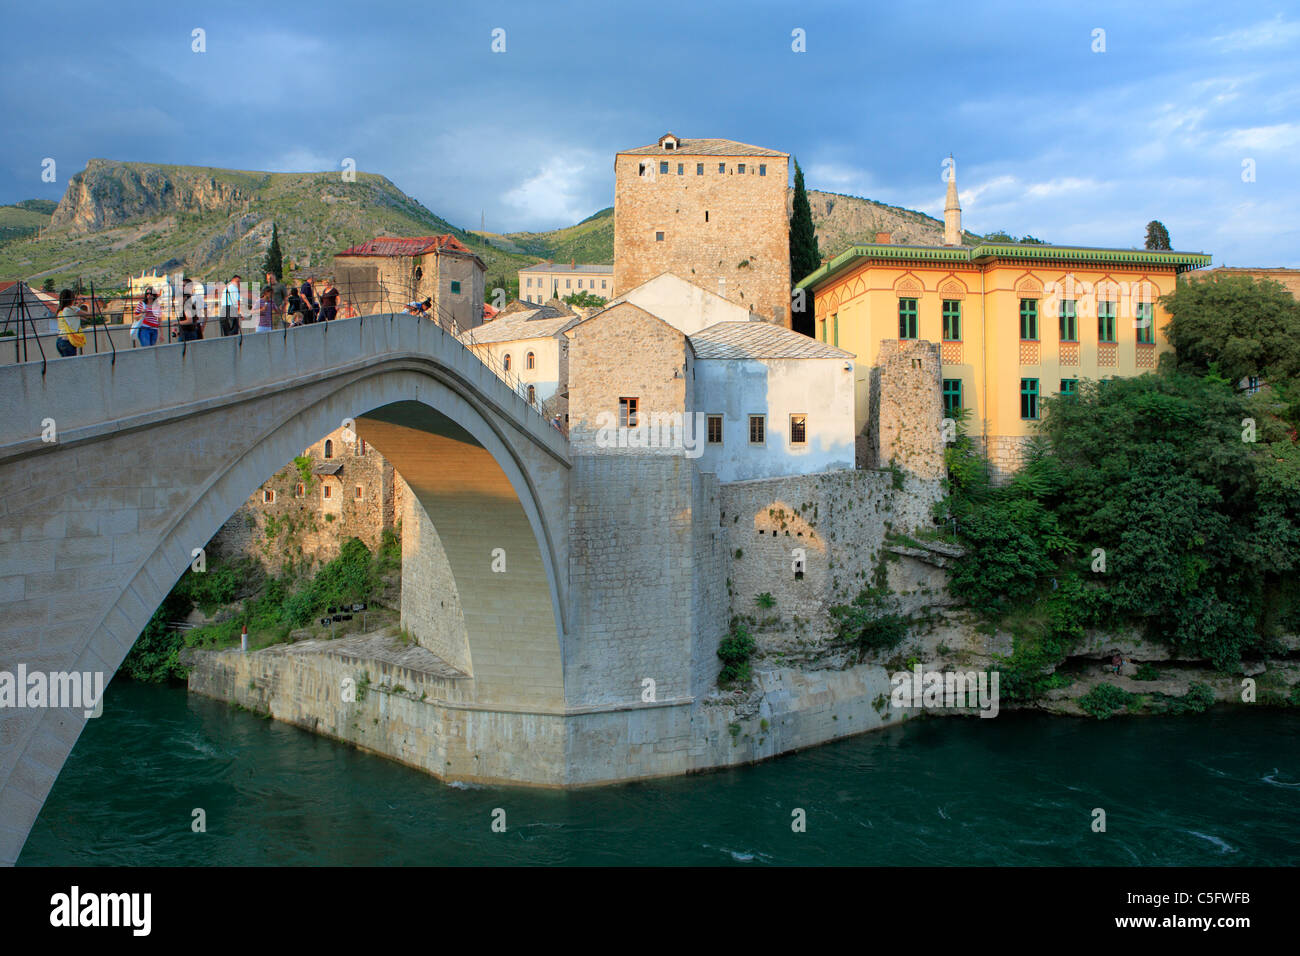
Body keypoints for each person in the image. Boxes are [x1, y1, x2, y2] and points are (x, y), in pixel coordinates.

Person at [55, 289, 88, 357]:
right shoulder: (70, 309)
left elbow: (73, 313)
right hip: (68, 340)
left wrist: (79, 304)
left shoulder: (60, 311)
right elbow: (89, 315)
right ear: (71, 298)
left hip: (60, 340)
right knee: (72, 365)